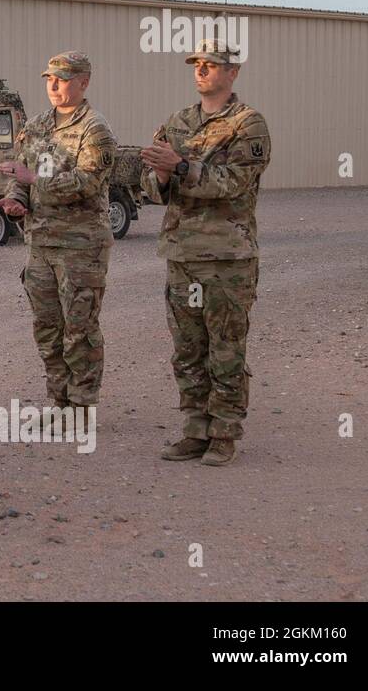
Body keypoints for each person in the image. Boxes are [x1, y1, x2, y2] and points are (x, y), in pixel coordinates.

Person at [140, 37, 271, 467]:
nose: (201, 70)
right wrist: (159, 177)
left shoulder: (248, 125)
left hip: (227, 258)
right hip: (182, 254)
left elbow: (235, 183)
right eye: (197, 63)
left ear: (232, 73)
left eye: (212, 65)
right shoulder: (176, 123)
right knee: (188, 348)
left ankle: (225, 434)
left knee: (226, 347)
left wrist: (180, 167)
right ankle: (195, 429)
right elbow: (150, 188)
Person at [0, 51, 116, 415]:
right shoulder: (36, 126)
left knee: (79, 329)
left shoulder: (95, 130)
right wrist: (16, 200)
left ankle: (82, 407)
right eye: (49, 78)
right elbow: (21, 179)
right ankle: (59, 401)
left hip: (81, 247)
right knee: (47, 328)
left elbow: (88, 183)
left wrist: (34, 180)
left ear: (84, 82)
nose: (54, 85)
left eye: (62, 79)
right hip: (41, 245)